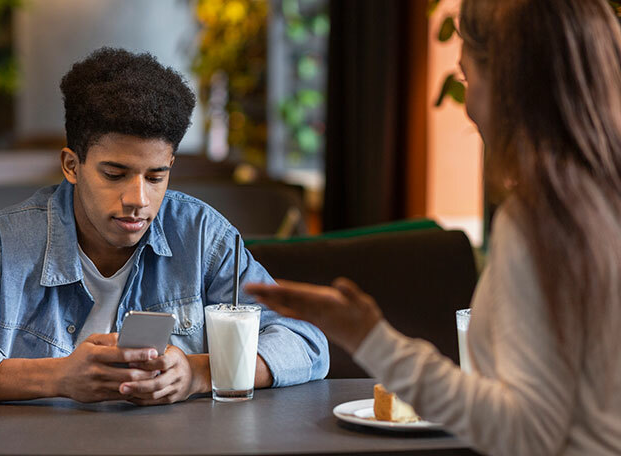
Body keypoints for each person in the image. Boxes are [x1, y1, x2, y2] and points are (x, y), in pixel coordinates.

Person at [246, 0, 621, 454]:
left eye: (468, 77)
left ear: (509, 85)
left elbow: (524, 433)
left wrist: (371, 338)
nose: (469, 108)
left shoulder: (541, 220)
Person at [0, 47, 329, 408]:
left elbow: (308, 342)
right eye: (115, 174)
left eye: (157, 177)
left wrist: (199, 372)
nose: (138, 199)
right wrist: (57, 376)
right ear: (72, 165)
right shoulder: (2, 245)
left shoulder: (203, 236)